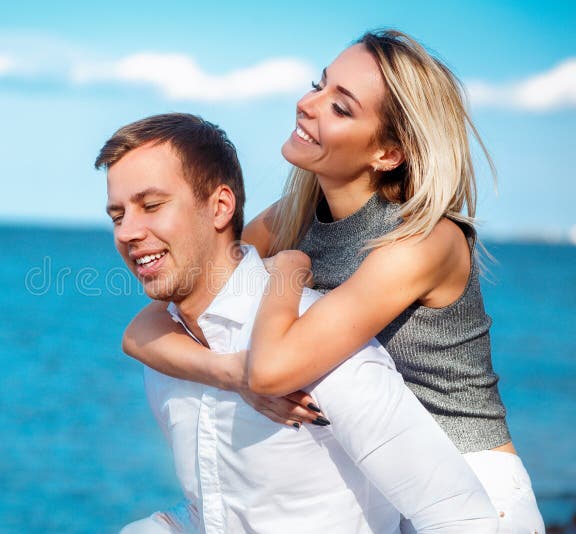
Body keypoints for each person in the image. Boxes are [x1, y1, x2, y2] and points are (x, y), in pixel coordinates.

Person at [121, 31, 544, 533]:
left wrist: (287, 273)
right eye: (318, 85)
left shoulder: (423, 242)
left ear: (388, 153)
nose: (307, 105)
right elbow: (145, 330)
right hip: (384, 489)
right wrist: (228, 371)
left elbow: (273, 372)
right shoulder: (293, 218)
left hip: (474, 494)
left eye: (340, 108)